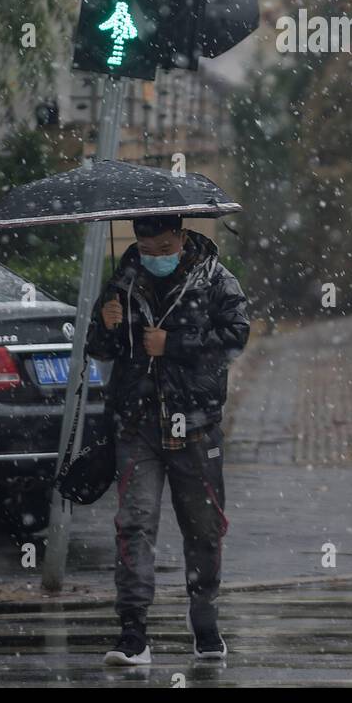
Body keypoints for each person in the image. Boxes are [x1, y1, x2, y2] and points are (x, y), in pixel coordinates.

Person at [86, 213, 248, 665]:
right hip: (138, 426)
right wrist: (106, 323)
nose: (154, 257)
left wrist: (173, 343)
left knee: (203, 527)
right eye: (146, 249)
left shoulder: (216, 279)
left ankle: (205, 623)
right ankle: (133, 632)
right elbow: (98, 350)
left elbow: (236, 337)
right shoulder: (124, 281)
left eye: (162, 248)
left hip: (195, 426)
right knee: (134, 524)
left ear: (179, 237)